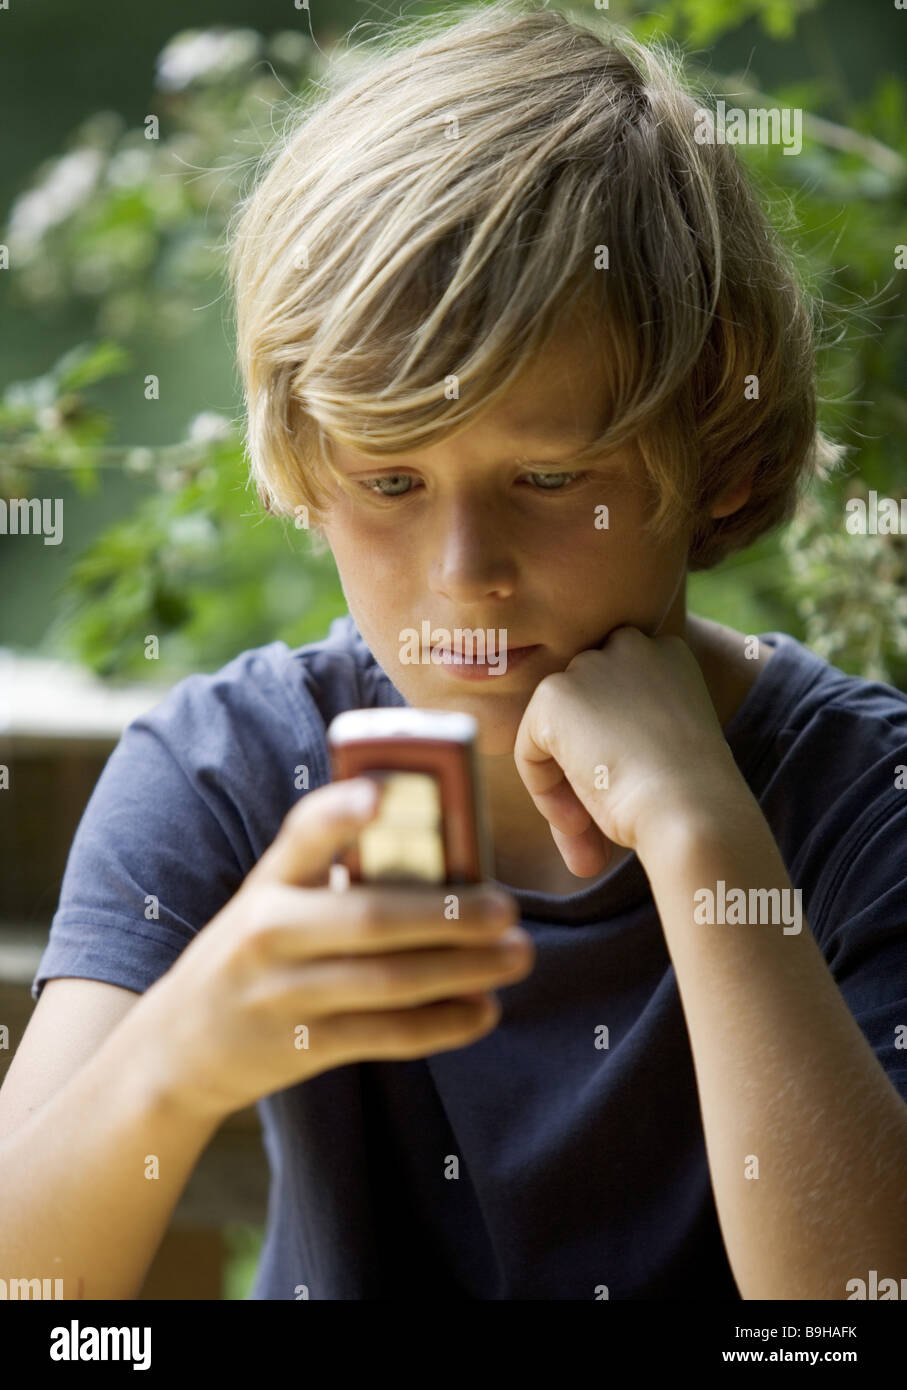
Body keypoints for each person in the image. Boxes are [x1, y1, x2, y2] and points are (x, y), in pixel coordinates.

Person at [3, 1, 906, 1301]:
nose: (461, 571)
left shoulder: (864, 801)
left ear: (713, 451)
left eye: (546, 473)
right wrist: (185, 1050)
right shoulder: (230, 776)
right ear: (308, 473)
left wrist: (708, 839)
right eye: (389, 481)